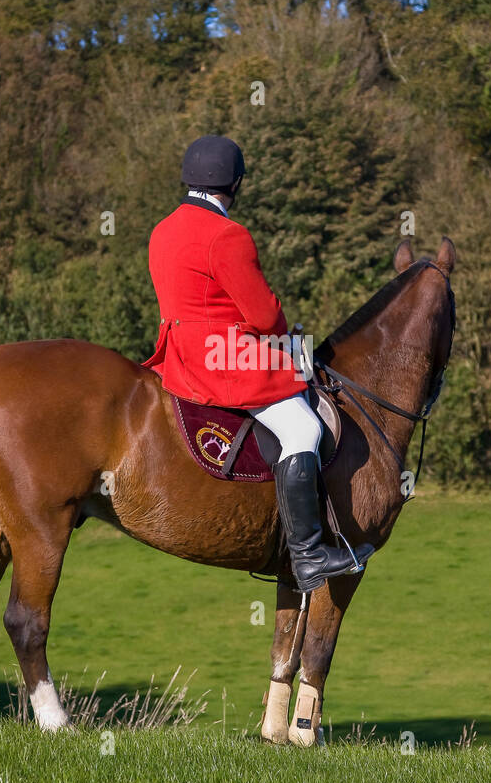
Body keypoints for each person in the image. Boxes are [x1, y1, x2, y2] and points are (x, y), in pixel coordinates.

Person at [143, 135, 373, 592]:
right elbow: (265, 316)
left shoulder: (163, 229)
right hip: (224, 359)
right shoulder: (227, 234)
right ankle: (308, 555)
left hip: (179, 353)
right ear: (236, 183)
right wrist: (287, 342)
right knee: (303, 428)